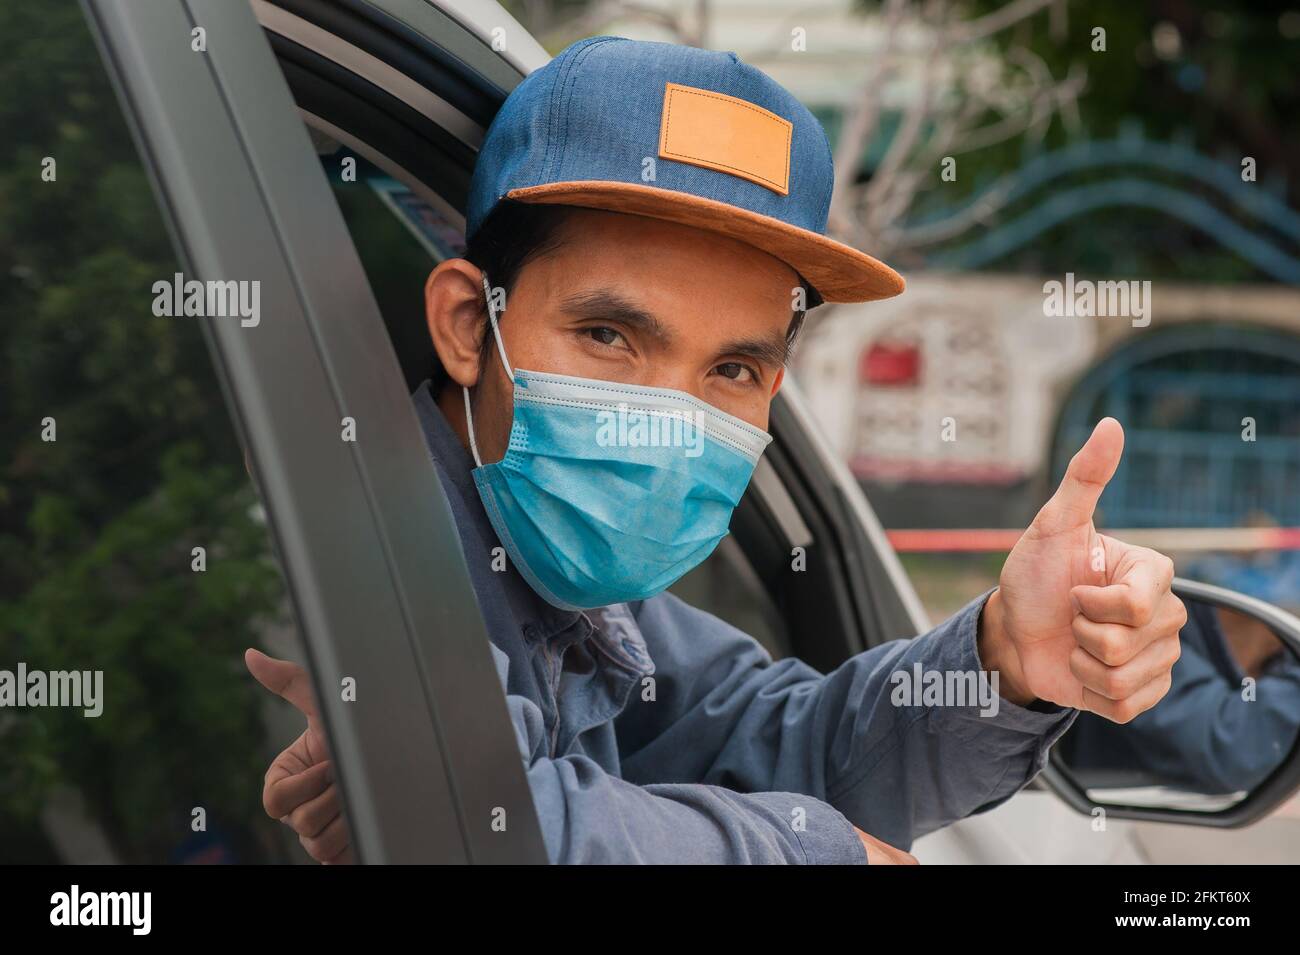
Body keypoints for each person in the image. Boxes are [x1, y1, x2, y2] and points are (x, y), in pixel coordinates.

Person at [245, 37, 1186, 864]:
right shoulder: (344, 543)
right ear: (466, 324)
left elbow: (787, 746)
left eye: (731, 368)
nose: (666, 419)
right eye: (609, 336)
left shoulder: (582, 592)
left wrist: (1001, 659)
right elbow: (482, 818)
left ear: (773, 389)